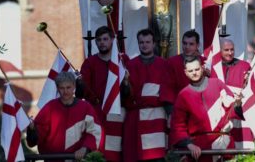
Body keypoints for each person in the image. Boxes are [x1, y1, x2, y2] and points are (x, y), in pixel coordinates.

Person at [115, 0, 209, 57]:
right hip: (157, 16)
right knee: (157, 39)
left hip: (167, 14)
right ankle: (159, 58)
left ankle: (163, 58)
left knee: (166, 40)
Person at [170, 57, 244, 162]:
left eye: (197, 69)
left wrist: (237, 103)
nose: (194, 73)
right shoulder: (183, 95)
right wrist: (189, 145)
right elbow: (178, 126)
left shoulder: (217, 84)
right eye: (190, 71)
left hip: (224, 145)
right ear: (185, 72)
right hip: (200, 151)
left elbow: (231, 109)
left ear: (202, 68)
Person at [26, 71, 102, 161]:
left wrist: (86, 147)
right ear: (57, 88)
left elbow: (94, 131)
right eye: (62, 88)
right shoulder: (50, 107)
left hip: (77, 160)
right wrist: (32, 130)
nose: (65, 91)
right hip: (52, 160)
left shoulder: (86, 108)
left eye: (68, 87)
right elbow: (35, 138)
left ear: (74, 86)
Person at [80, 26, 129, 161]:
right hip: (98, 112)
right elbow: (84, 88)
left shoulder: (123, 60)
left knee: (119, 151)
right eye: (99, 40)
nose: (102, 42)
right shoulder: (90, 63)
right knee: (100, 150)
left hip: (119, 111)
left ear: (112, 40)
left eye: (105, 39)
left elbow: (130, 88)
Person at [122, 28, 169, 162]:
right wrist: (125, 85)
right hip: (136, 117)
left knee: (157, 156)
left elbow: (167, 90)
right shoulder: (130, 65)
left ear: (154, 44)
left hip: (157, 117)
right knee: (136, 155)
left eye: (147, 42)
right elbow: (126, 94)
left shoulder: (163, 64)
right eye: (141, 42)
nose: (144, 45)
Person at [207, 38, 255, 149]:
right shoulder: (212, 68)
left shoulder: (244, 66)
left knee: (239, 148)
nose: (230, 53)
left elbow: (250, 91)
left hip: (238, 114)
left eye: (232, 50)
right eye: (226, 50)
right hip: (219, 116)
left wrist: (248, 80)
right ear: (220, 51)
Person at [162, 30, 208, 106]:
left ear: (197, 45)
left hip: (201, 106)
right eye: (184, 43)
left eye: (191, 44)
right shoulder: (172, 62)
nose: (187, 47)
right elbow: (167, 89)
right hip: (179, 106)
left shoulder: (205, 62)